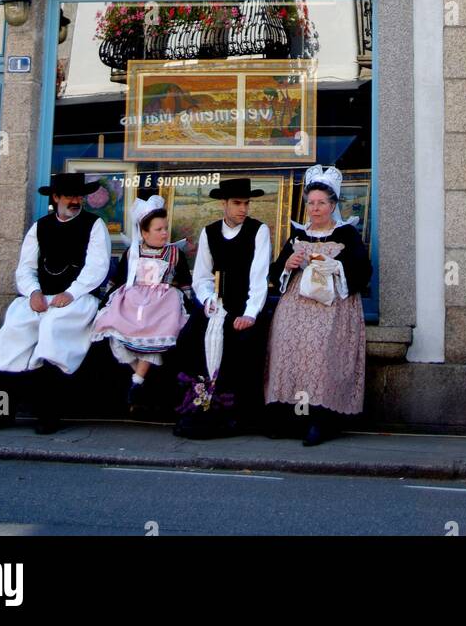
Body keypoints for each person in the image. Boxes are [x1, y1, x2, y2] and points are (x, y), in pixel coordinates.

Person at [0, 171, 111, 435]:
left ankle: (48, 414)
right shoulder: (40, 227)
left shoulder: (94, 225)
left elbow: (97, 266)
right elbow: (25, 269)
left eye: (78, 196)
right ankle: (1, 411)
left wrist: (71, 293)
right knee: (12, 332)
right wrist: (33, 293)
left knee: (52, 332)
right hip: (42, 298)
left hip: (77, 300)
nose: (75, 201)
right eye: (70, 196)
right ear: (56, 197)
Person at [264, 164, 372, 447]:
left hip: (331, 308)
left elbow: (363, 271)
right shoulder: (298, 234)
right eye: (311, 203)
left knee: (321, 354)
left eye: (321, 203)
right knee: (289, 350)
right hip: (295, 306)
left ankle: (320, 420)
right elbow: (275, 273)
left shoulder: (346, 234)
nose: (315, 208)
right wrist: (287, 265)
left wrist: (335, 265)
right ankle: (289, 418)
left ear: (333, 204)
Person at [173, 177, 271, 438]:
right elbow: (201, 277)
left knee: (242, 341)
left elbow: (259, 277)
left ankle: (233, 414)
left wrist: (250, 313)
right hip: (216, 305)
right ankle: (198, 406)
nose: (243, 209)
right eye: (237, 203)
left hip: (244, 306)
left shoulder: (258, 231)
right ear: (224, 204)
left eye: (246, 203)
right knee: (190, 337)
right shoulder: (210, 232)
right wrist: (207, 301)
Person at [91, 195, 192, 408]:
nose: (165, 232)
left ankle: (137, 382)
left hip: (163, 301)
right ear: (144, 232)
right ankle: (138, 377)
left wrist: (190, 301)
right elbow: (119, 278)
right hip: (134, 299)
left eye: (165, 228)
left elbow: (184, 281)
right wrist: (106, 299)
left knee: (158, 335)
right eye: (158, 229)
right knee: (114, 333)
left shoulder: (174, 253)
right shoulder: (133, 252)